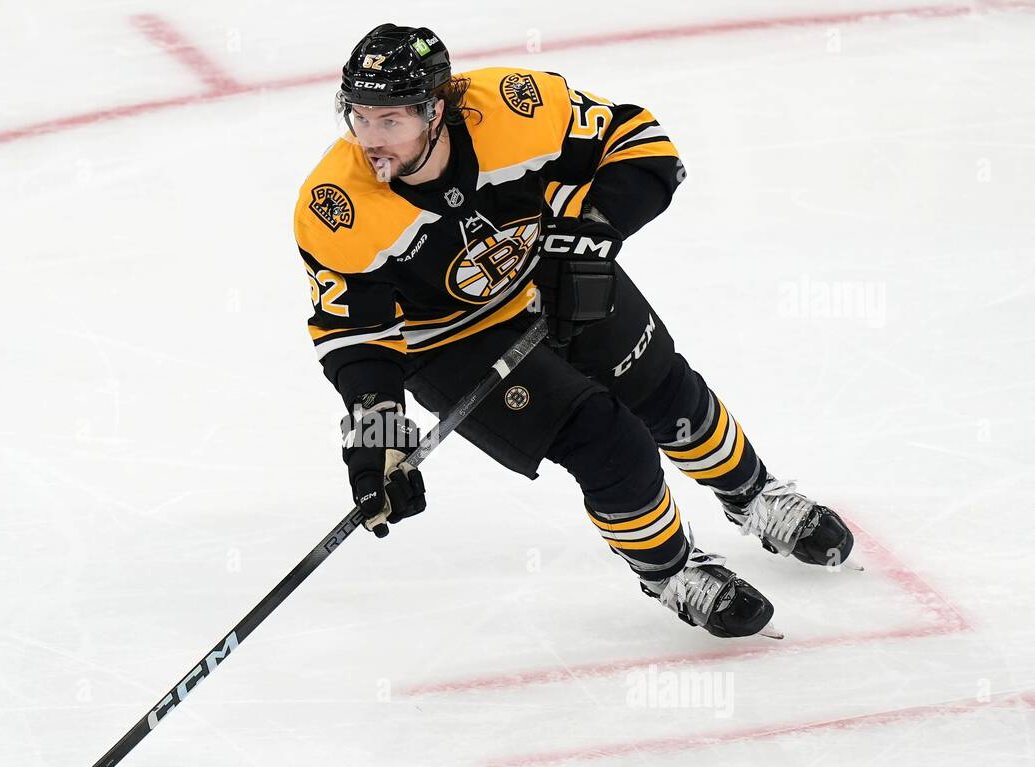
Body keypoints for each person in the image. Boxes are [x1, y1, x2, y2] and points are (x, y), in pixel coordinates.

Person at [292, 24, 855, 639]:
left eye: (390, 121)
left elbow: (644, 145)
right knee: (610, 444)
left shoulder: (515, 107)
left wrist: (588, 236)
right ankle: (671, 572)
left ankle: (756, 495)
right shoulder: (335, 208)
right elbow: (356, 337)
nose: (372, 142)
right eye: (360, 118)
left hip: (557, 270)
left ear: (436, 110)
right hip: (451, 342)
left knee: (665, 391)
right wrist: (378, 432)